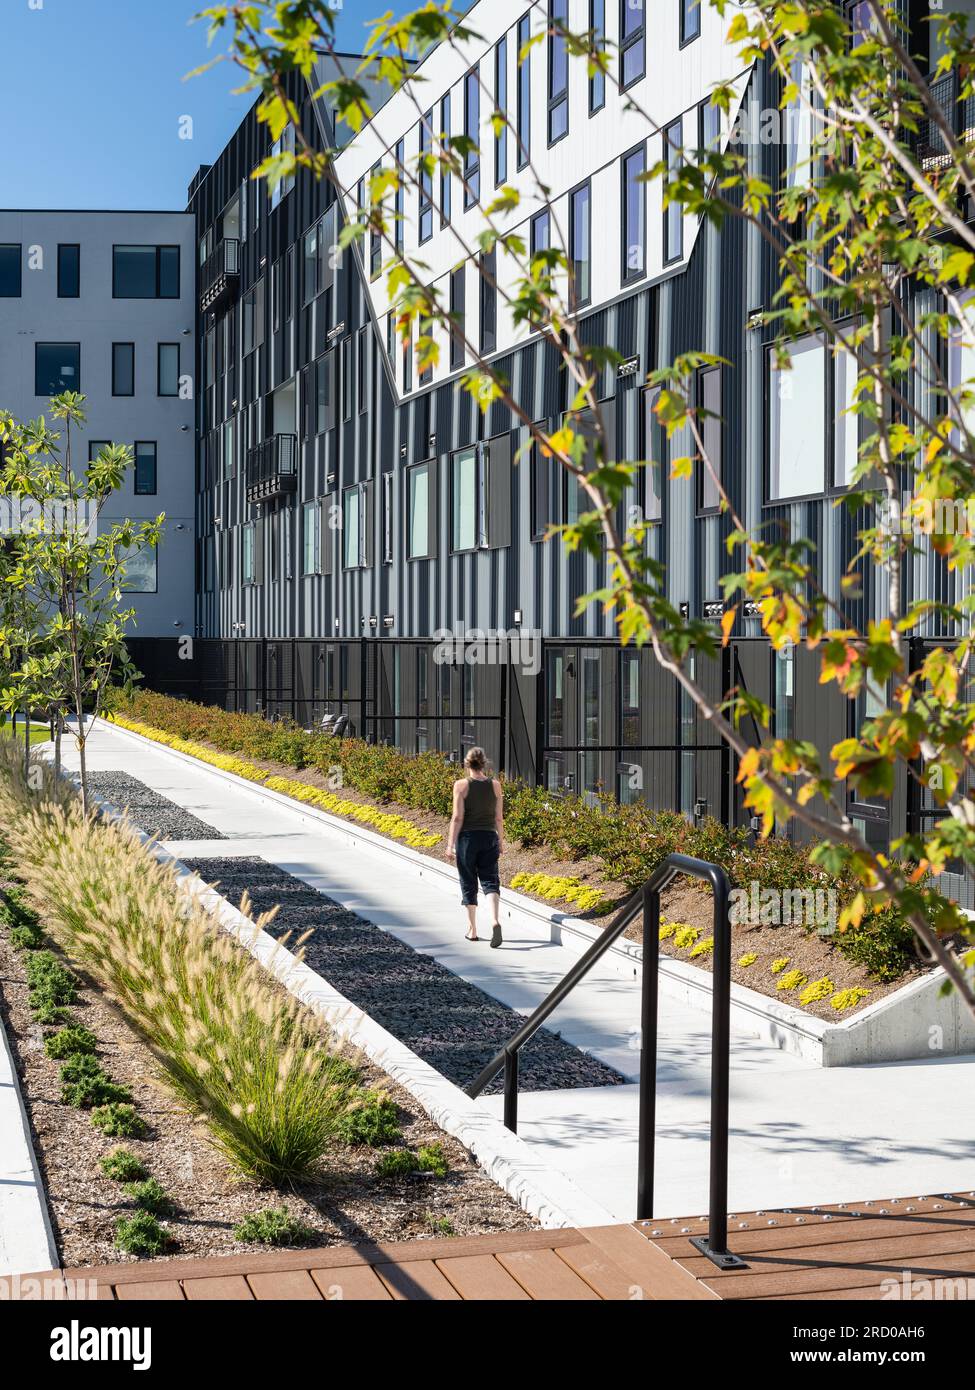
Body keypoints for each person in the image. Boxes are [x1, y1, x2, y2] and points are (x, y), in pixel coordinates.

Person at [446, 746, 504, 946]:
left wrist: (450, 844)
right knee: (490, 881)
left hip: (468, 839)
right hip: (489, 837)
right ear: (484, 763)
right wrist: (501, 841)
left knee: (468, 882)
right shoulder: (495, 785)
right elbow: (498, 817)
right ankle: (495, 920)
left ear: (466, 763)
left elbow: (457, 817)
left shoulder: (461, 785)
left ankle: (473, 930)